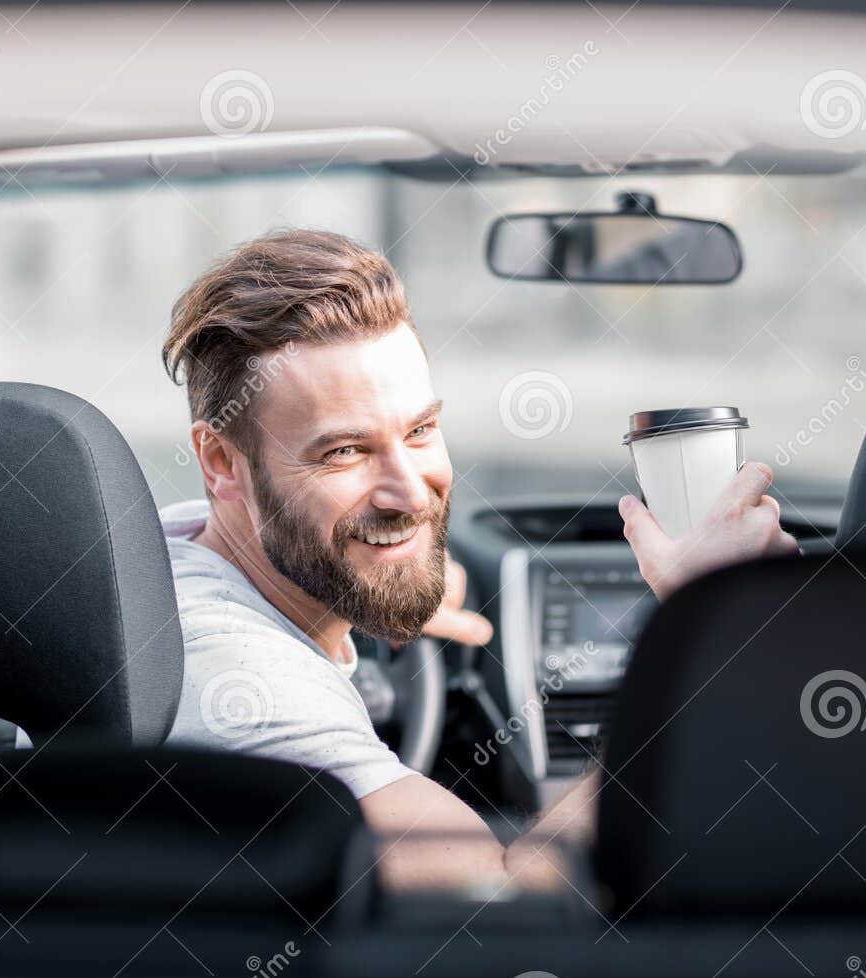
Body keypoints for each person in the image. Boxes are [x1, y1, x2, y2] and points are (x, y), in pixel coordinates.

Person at [161, 229, 797, 893]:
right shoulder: (242, 687)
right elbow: (497, 901)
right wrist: (716, 644)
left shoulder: (167, 559)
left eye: (419, 432)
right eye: (343, 452)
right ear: (220, 463)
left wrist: (376, 586)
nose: (409, 491)